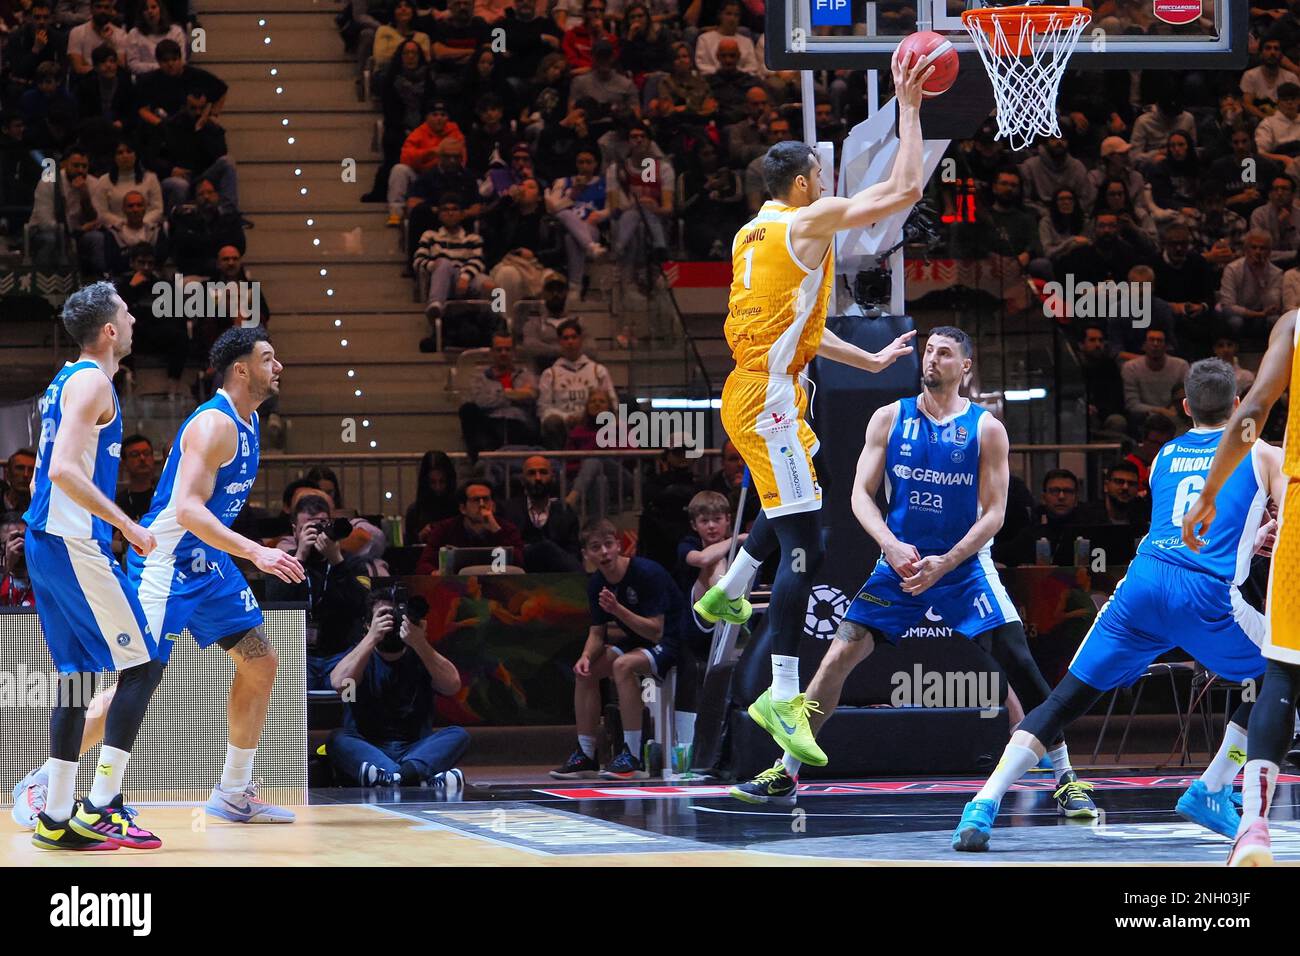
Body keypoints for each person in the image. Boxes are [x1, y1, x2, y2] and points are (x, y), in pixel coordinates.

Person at [692, 53, 947, 776]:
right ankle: (779, 694)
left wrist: (864, 362)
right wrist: (909, 104)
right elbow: (903, 186)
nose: (829, 187)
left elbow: (793, 324)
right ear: (803, 183)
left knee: (821, 483)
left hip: (764, 390)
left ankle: (727, 592)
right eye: (823, 176)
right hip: (768, 400)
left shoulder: (754, 235)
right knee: (807, 546)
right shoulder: (809, 221)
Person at [728, 328, 1091, 816]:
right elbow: (860, 495)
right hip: (899, 563)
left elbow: (994, 514)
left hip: (962, 566)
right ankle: (786, 772)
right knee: (839, 653)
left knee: (1017, 660)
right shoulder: (888, 418)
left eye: (944, 353)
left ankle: (1066, 776)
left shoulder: (986, 428)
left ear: (966, 366)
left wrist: (948, 561)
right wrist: (891, 545)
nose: (931, 359)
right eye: (928, 351)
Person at [954, 358, 1280, 851]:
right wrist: (1268, 533)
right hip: (1203, 595)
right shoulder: (1262, 454)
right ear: (1238, 406)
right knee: (1282, 674)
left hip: (1143, 586)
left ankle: (984, 802)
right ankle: (1211, 788)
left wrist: (1248, 535)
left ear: (1185, 406)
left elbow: (1185, 525)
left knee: (1065, 700)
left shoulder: (1164, 455)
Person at [124, 326, 305, 823]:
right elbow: (186, 510)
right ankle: (47, 781)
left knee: (261, 662)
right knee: (135, 680)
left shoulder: (248, 422)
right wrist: (256, 553)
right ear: (242, 369)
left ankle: (232, 792)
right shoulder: (213, 424)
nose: (279, 367)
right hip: (166, 562)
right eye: (269, 358)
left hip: (209, 565)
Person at [15, 282, 166, 850]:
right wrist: (127, 525)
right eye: (126, 315)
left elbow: (41, 475)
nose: (132, 322)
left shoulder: (63, 379)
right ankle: (102, 805)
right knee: (144, 665)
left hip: (47, 539)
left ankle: (55, 816)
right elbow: (59, 471)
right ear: (108, 330)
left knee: (77, 679)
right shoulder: (93, 380)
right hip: (74, 543)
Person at [1183, 306, 1300, 865]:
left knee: (1283, 671)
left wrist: (1210, 489)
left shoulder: (1296, 323)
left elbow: (1254, 408)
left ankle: (1253, 828)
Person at [550, 518, 686, 779]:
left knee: (622, 665)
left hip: (668, 641)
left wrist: (617, 610)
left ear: (619, 545)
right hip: (635, 640)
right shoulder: (596, 584)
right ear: (586, 554)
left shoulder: (647, 572)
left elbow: (655, 630)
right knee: (585, 672)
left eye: (608, 544)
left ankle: (631, 756)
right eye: (595, 547)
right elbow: (597, 632)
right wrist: (586, 656)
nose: (603, 552)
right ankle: (586, 755)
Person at [326, 587, 468, 788]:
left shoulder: (422, 654)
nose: (392, 622)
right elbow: (340, 684)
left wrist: (420, 642)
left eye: (397, 616)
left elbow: (452, 685)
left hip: (415, 747)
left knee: (458, 734)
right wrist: (372, 637)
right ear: (368, 624)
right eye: (384, 616)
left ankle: (394, 778)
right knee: (337, 739)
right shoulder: (361, 654)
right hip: (369, 747)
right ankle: (415, 777)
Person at [265, 493, 374, 690]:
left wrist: (337, 562)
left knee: (351, 689)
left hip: (341, 653)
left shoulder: (350, 563)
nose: (316, 533)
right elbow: (276, 604)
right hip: (297, 657)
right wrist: (299, 558)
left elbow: (362, 606)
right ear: (295, 531)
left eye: (321, 526)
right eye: (308, 528)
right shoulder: (281, 563)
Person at [537, 319, 617, 448]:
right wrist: (566, 417)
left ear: (581, 340)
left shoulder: (598, 371)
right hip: (563, 426)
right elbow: (543, 409)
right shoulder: (550, 374)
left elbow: (612, 402)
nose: (570, 342)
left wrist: (586, 417)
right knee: (551, 422)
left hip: (593, 423)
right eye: (566, 338)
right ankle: (559, 464)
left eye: (574, 337)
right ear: (560, 342)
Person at [458, 331, 540, 456]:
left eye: (507, 349)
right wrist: (514, 394)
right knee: (468, 409)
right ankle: (481, 460)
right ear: (491, 352)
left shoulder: (526, 375)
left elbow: (532, 396)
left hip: (519, 425)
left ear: (514, 352)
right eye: (499, 350)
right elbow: (480, 401)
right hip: (490, 426)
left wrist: (499, 396)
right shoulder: (479, 378)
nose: (503, 353)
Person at [413, 480, 524, 572]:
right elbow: (423, 564)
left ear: (493, 506)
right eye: (475, 500)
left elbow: (520, 563)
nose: (481, 504)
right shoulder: (444, 529)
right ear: (463, 508)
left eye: (485, 499)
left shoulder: (507, 529)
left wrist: (496, 530)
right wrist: (435, 573)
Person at [499, 454, 582, 571]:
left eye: (543, 472)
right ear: (522, 480)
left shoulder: (566, 512)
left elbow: (574, 555)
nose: (538, 478)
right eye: (531, 473)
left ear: (552, 477)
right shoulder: (507, 510)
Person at [405, 450, 459, 544]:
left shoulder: (460, 508)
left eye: (442, 481)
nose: (437, 487)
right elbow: (407, 545)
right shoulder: (415, 511)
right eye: (432, 482)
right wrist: (420, 537)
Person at [115, 433, 156, 522]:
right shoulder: (117, 504)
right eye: (134, 455)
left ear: (153, 458)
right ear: (124, 463)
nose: (142, 458)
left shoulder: (165, 493)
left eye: (146, 453)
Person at [0, 512, 34, 607]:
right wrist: (7, 566)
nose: (19, 543)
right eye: (13, 539)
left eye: (23, 537)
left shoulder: (42, 577)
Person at [3, 447, 36, 512]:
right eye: (20, 468)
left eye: (31, 470)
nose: (25, 474)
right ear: (7, 473)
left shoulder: (41, 509)